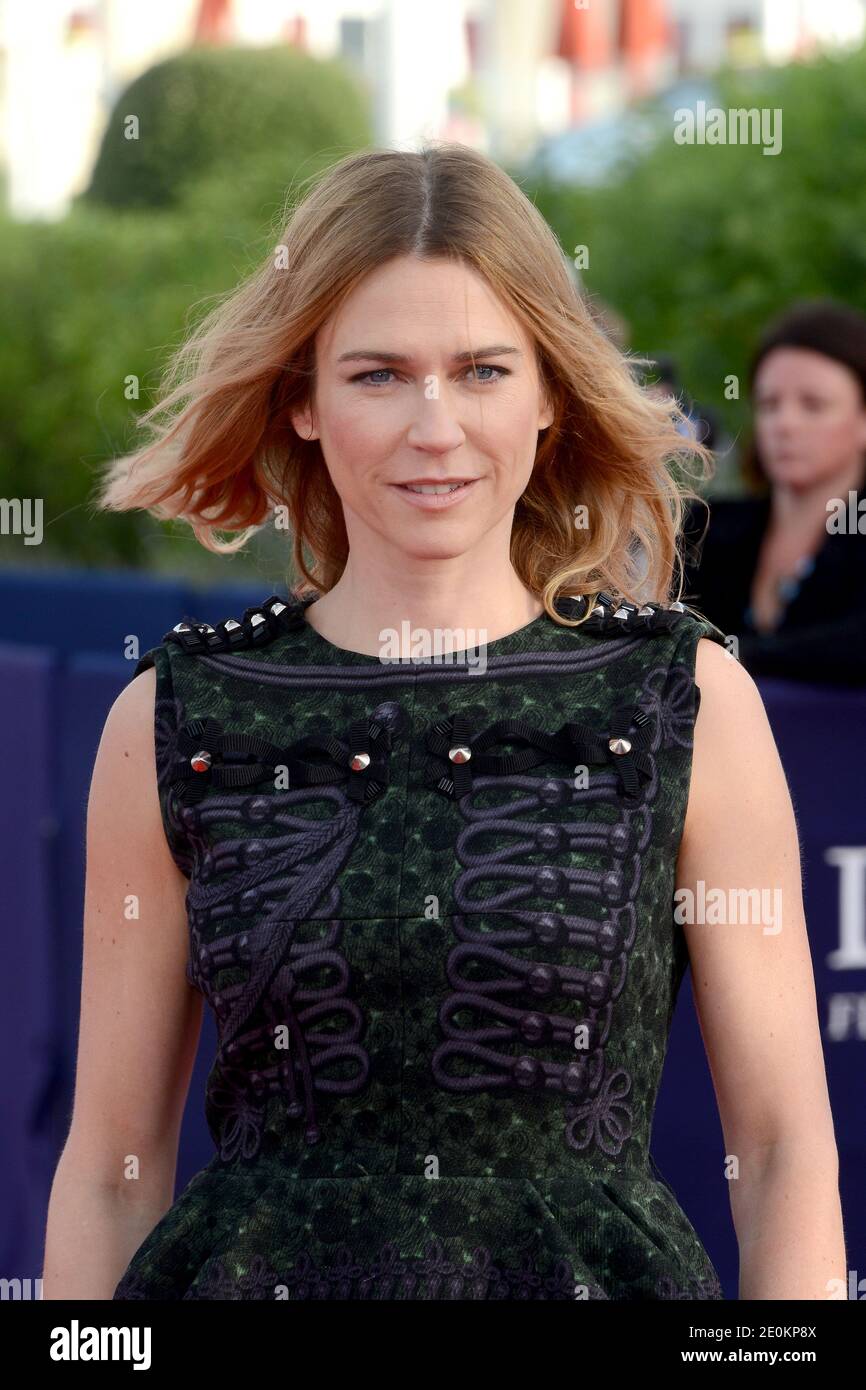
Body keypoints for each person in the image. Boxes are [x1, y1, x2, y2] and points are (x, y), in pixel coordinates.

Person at [42, 145, 844, 1301]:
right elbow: (112, 1172)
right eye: (377, 374)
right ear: (302, 401)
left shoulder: (681, 698)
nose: (435, 426)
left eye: (480, 370)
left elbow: (777, 1153)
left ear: (548, 391)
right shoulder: (176, 715)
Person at [682, 300, 866, 686]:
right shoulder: (704, 527)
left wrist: (731, 657)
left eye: (813, 405)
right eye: (769, 404)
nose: (784, 424)